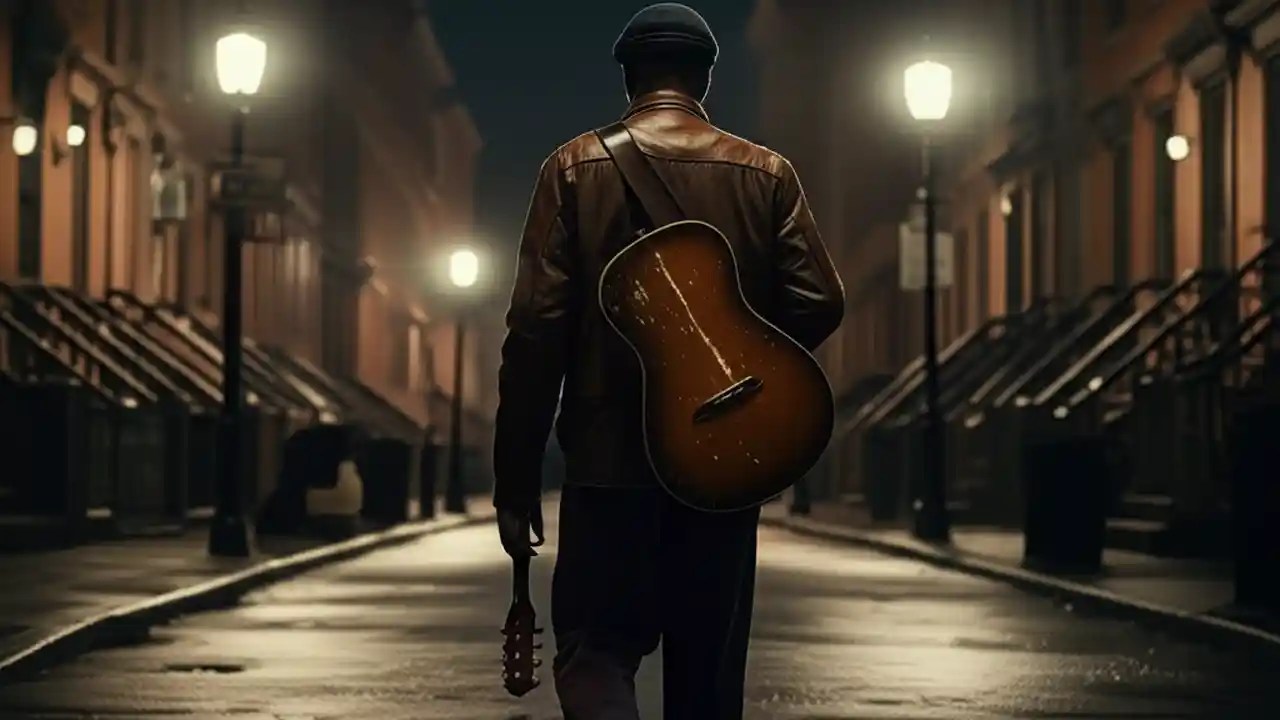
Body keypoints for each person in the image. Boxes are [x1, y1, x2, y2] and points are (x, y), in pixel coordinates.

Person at [492, 3, 844, 718]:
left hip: (604, 462)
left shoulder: (573, 168)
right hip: (720, 458)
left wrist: (516, 479)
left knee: (595, 654)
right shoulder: (766, 173)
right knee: (706, 677)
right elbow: (818, 300)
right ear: (706, 77)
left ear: (627, 79)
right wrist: (739, 365)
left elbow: (535, 331)